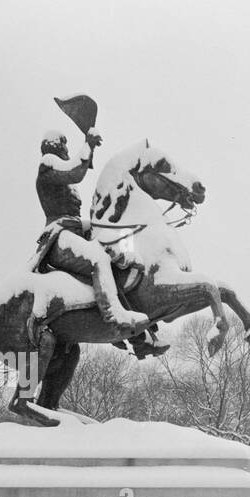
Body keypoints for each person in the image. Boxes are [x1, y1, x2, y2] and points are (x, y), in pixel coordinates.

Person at [31, 129, 163, 354]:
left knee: (115, 257)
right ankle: (114, 316)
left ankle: (139, 338)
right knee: (98, 260)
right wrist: (88, 145)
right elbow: (75, 172)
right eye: (62, 145)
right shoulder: (48, 164)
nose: (65, 148)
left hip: (74, 232)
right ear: (53, 147)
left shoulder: (60, 174)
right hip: (58, 237)